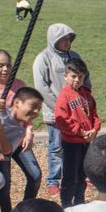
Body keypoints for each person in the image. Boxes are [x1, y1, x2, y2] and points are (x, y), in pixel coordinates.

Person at [0, 48, 41, 212]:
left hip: (18, 140)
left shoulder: (18, 85)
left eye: (8, 65)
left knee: (35, 175)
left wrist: (29, 133)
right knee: (4, 184)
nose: (5, 69)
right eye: (1, 65)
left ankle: (25, 210)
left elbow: (28, 114)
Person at [32, 23, 89, 198]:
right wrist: (60, 107)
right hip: (55, 114)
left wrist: (85, 101)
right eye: (62, 39)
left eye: (69, 39)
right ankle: (53, 180)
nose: (66, 42)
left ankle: (77, 175)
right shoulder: (43, 58)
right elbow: (41, 87)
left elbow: (86, 78)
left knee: (78, 146)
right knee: (56, 147)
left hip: (78, 111)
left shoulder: (74, 56)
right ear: (53, 40)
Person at [53, 57, 101, 208]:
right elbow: (62, 121)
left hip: (86, 141)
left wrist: (94, 129)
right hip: (71, 142)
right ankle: (66, 203)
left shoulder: (86, 94)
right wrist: (80, 132)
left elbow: (94, 115)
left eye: (80, 76)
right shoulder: (64, 96)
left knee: (82, 173)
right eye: (73, 76)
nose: (77, 80)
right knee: (70, 174)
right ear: (65, 76)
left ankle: (80, 200)